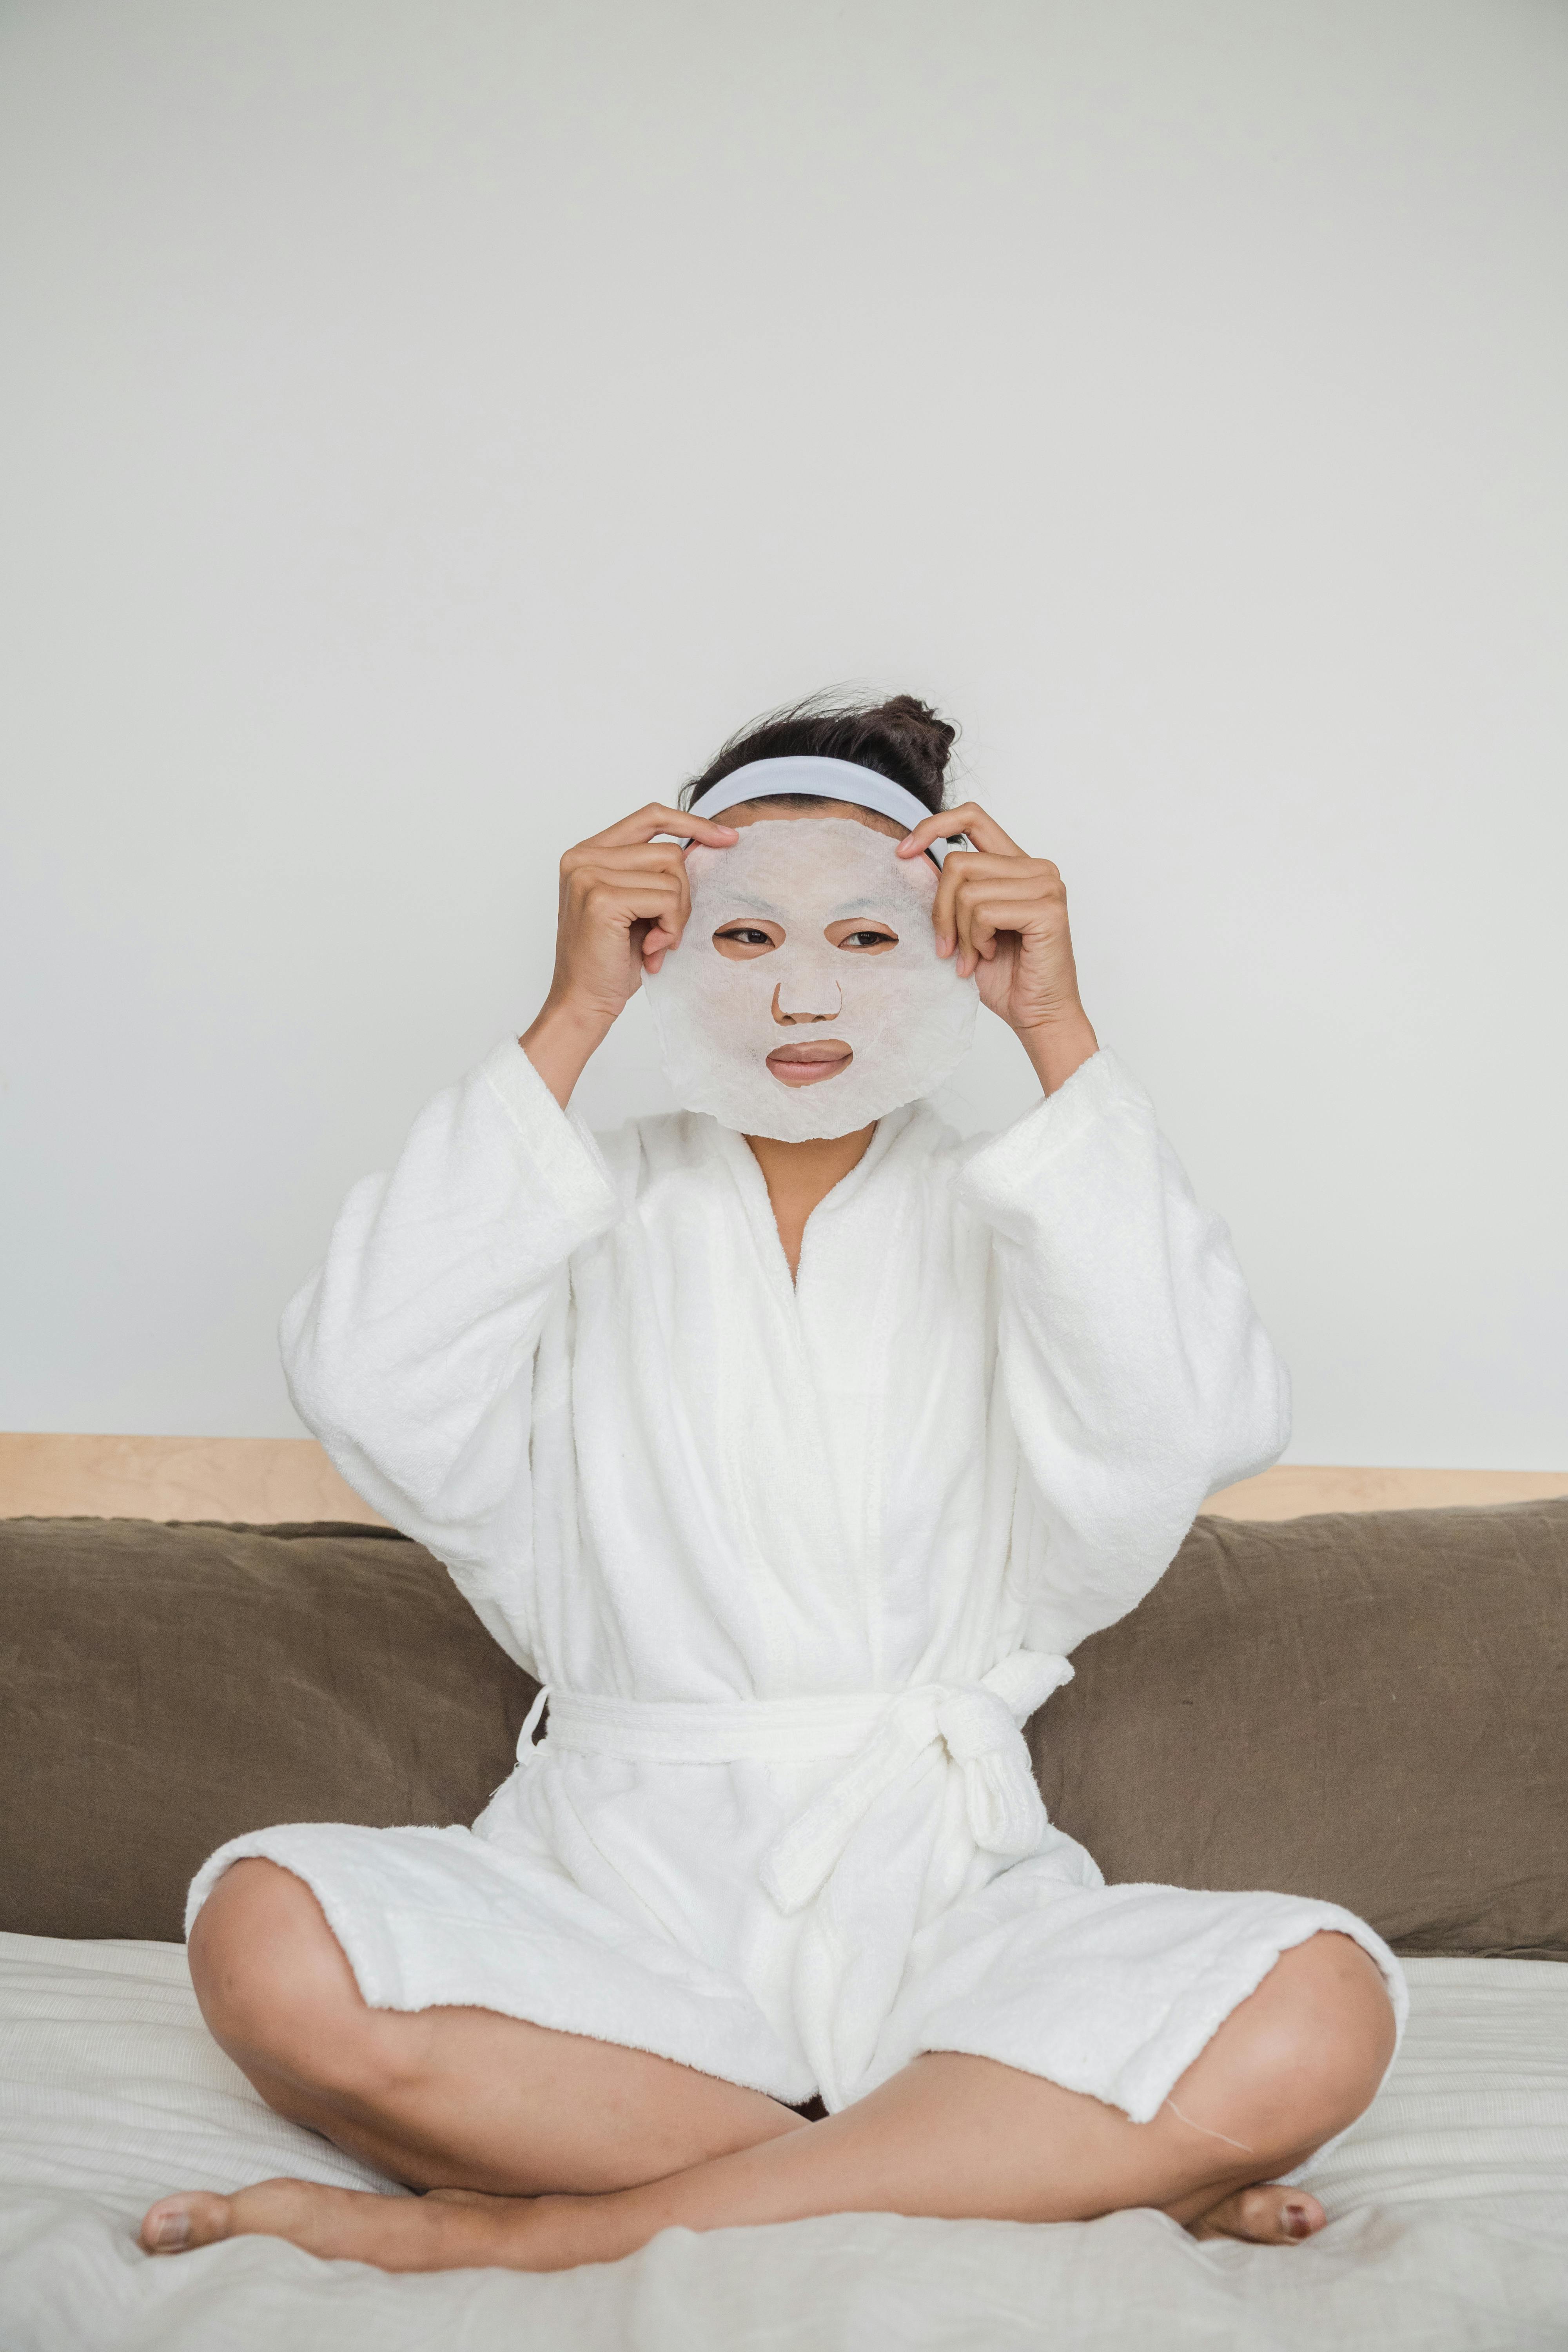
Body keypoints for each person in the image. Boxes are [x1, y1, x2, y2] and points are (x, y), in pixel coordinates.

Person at [140, 695, 1401, 2275]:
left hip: (944, 1904)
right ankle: (1017, 2164)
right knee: (264, 1933)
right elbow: (365, 1380)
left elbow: (1199, 1416)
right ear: (666, 944)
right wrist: (567, 1018)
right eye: (745, 940)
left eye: (870, 941)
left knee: (1319, 2004)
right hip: (608, 1888)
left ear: (951, 950)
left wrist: (1057, 1034)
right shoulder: (577, 1204)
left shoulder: (1023, 1207)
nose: (805, 991)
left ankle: (513, 2232)